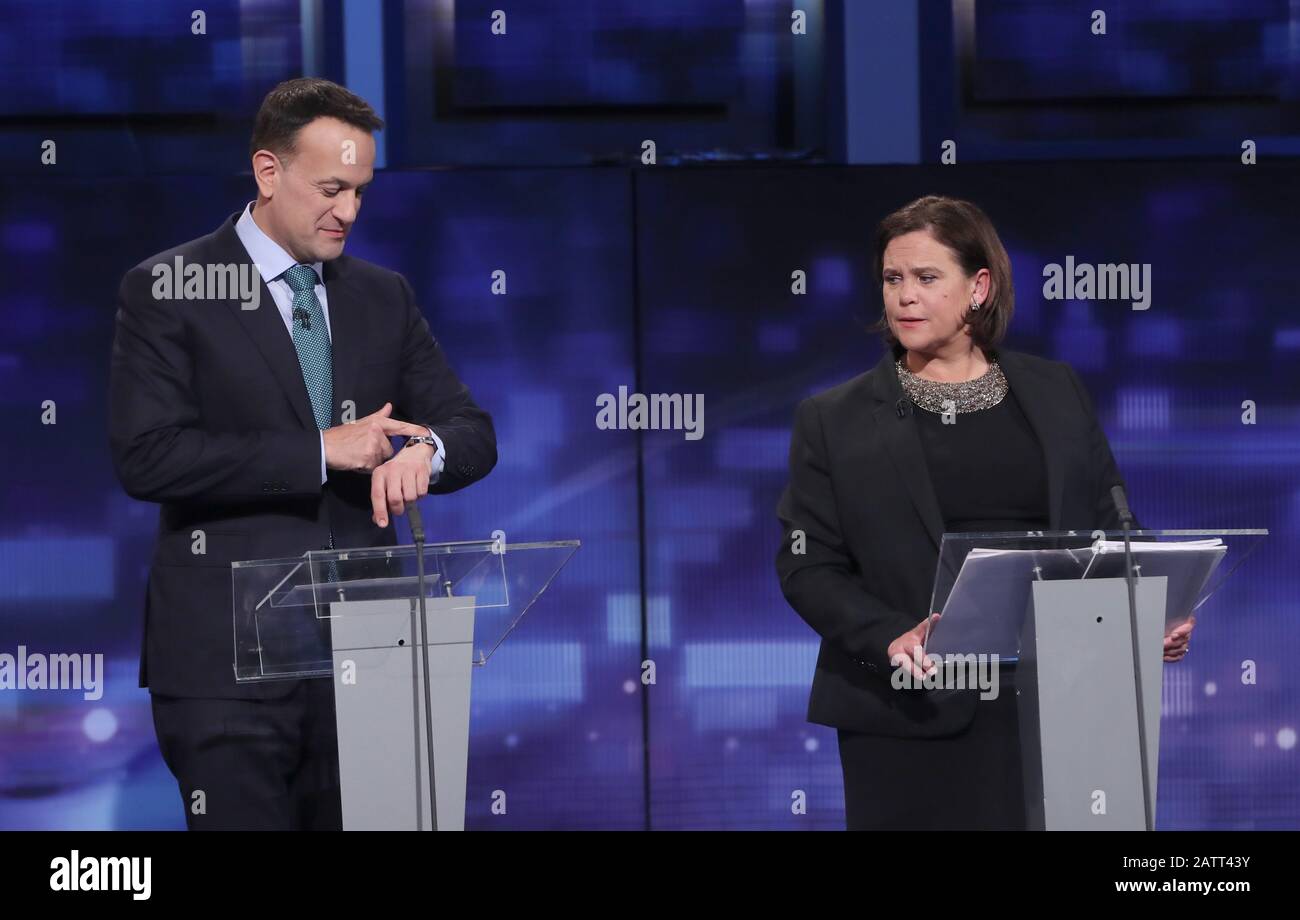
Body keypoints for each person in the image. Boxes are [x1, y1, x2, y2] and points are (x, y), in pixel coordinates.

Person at [108, 78, 496, 830]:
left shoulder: (384, 297)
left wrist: (430, 453)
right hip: (227, 664)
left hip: (374, 659)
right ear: (267, 172)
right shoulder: (169, 288)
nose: (348, 211)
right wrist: (322, 450)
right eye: (330, 188)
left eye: (359, 191)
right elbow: (147, 457)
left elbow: (470, 427)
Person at [775, 195, 1191, 831]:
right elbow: (808, 566)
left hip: (1064, 706)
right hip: (908, 713)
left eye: (926, 278)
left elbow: (1114, 526)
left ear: (980, 287)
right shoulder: (833, 420)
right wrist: (888, 634)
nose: (904, 297)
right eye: (892, 279)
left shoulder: (1055, 391)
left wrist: (1147, 610)